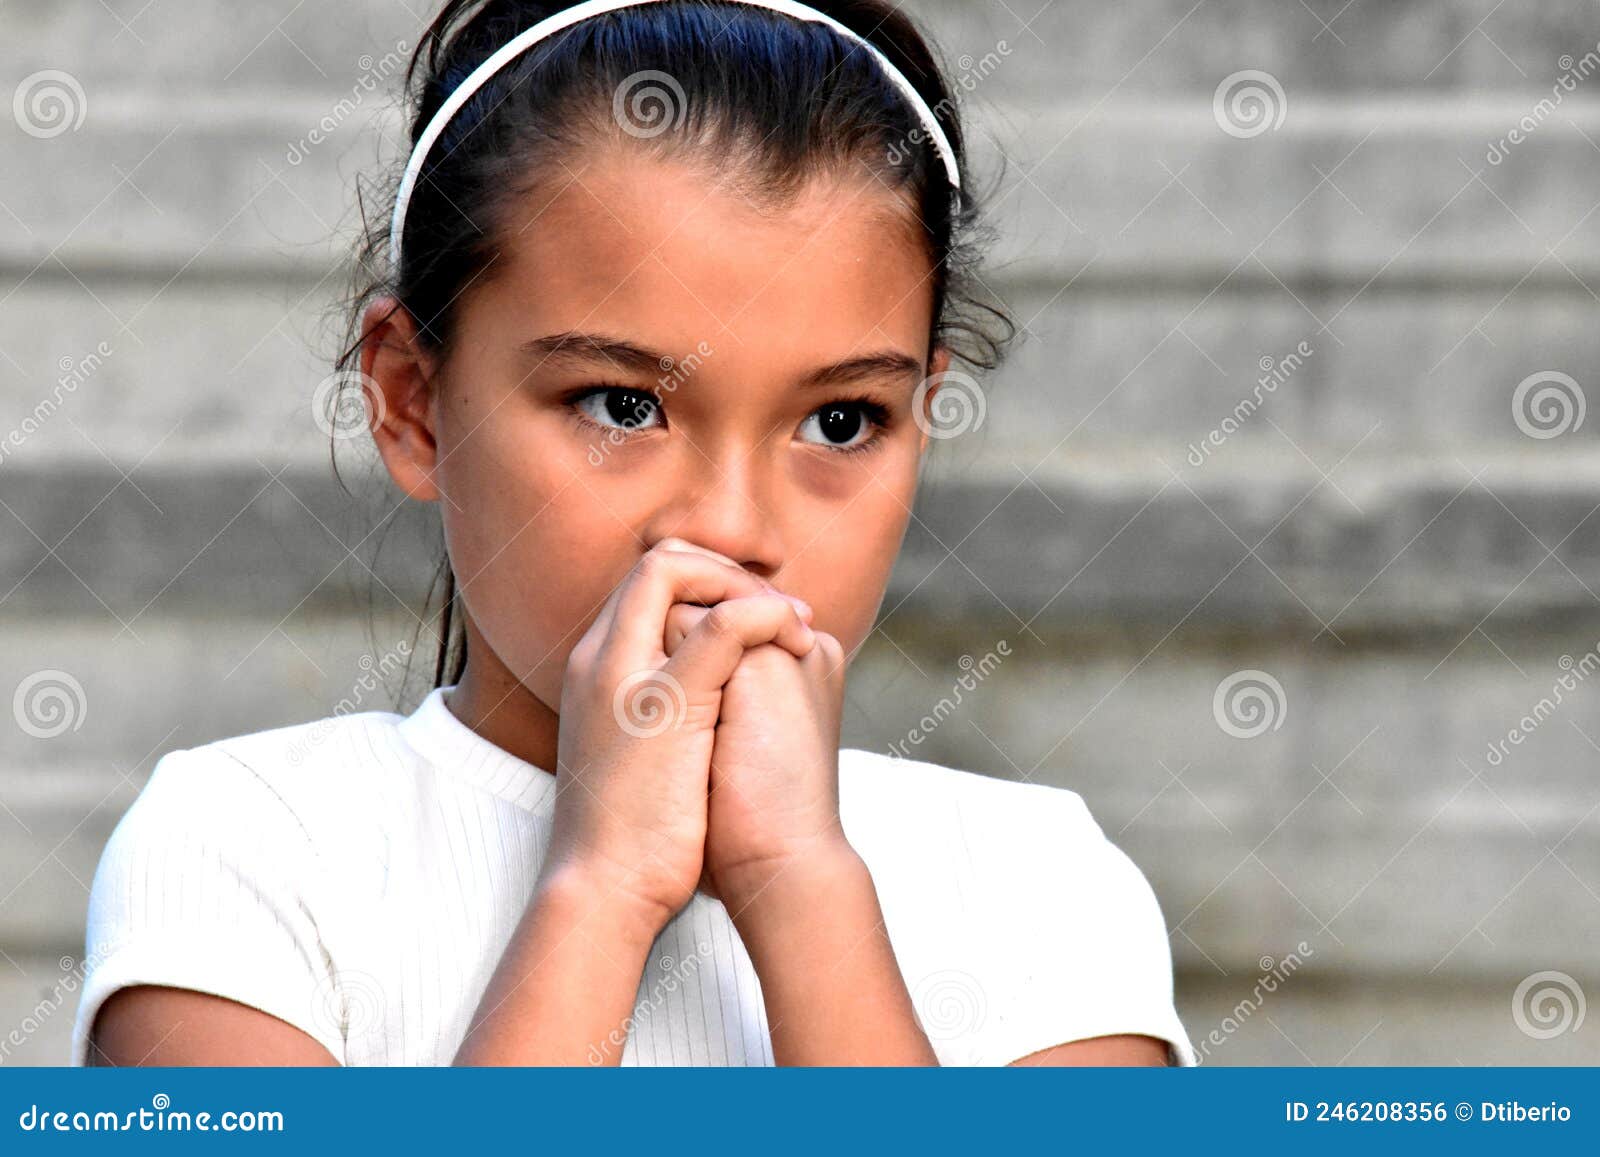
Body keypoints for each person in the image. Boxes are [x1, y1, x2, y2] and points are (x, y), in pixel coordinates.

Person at [73, 0, 1196, 1067]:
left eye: (840, 420)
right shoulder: (245, 851)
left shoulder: (1042, 887)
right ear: (413, 402)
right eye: (622, 405)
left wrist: (800, 888)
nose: (730, 528)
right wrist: (603, 888)